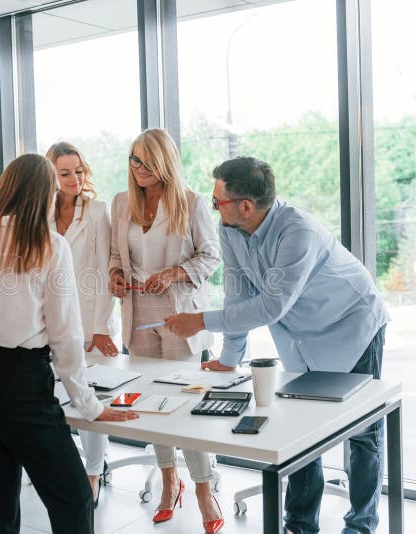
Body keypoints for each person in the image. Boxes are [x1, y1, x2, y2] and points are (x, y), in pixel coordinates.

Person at [164, 156, 390, 534]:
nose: (214, 205)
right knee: (300, 433)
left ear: (246, 206)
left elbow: (270, 305)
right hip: (301, 337)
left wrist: (200, 321)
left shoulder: (296, 231)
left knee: (363, 435)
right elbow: (238, 293)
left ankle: (361, 524)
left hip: (352, 326)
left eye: (218, 199)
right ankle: (299, 526)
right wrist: (229, 356)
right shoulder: (231, 228)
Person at [0, 154, 138, 534]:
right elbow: (66, 336)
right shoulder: (48, 245)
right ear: (44, 193)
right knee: (74, 498)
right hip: (17, 386)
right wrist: (89, 405)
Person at [109, 128, 224, 533]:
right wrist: (115, 276)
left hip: (179, 310)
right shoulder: (122, 203)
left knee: (186, 406)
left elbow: (212, 255)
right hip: (137, 308)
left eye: (146, 161)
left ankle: (203, 488)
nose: (138, 168)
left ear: (165, 162)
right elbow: (113, 255)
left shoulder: (191, 202)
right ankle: (169, 480)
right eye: (133, 160)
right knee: (152, 403)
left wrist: (176, 273)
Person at [46, 142, 119, 506]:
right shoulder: (39, 214)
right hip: (50, 323)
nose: (74, 179)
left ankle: (92, 473)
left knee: (90, 399)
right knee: (60, 400)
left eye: (78, 171)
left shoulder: (97, 211)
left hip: (92, 321)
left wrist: (102, 326)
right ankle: (69, 468)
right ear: (51, 176)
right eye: (64, 173)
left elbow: (109, 268)